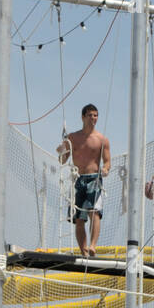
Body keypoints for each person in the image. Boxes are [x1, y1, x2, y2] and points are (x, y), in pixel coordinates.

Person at [57, 103, 111, 257]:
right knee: (78, 218)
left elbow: (107, 161)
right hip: (78, 179)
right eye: (90, 115)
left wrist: (106, 169)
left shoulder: (102, 139)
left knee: (94, 212)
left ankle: (93, 245)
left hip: (94, 178)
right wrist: (61, 150)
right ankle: (84, 250)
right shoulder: (73, 138)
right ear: (83, 117)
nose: (93, 118)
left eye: (95, 115)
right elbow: (62, 159)